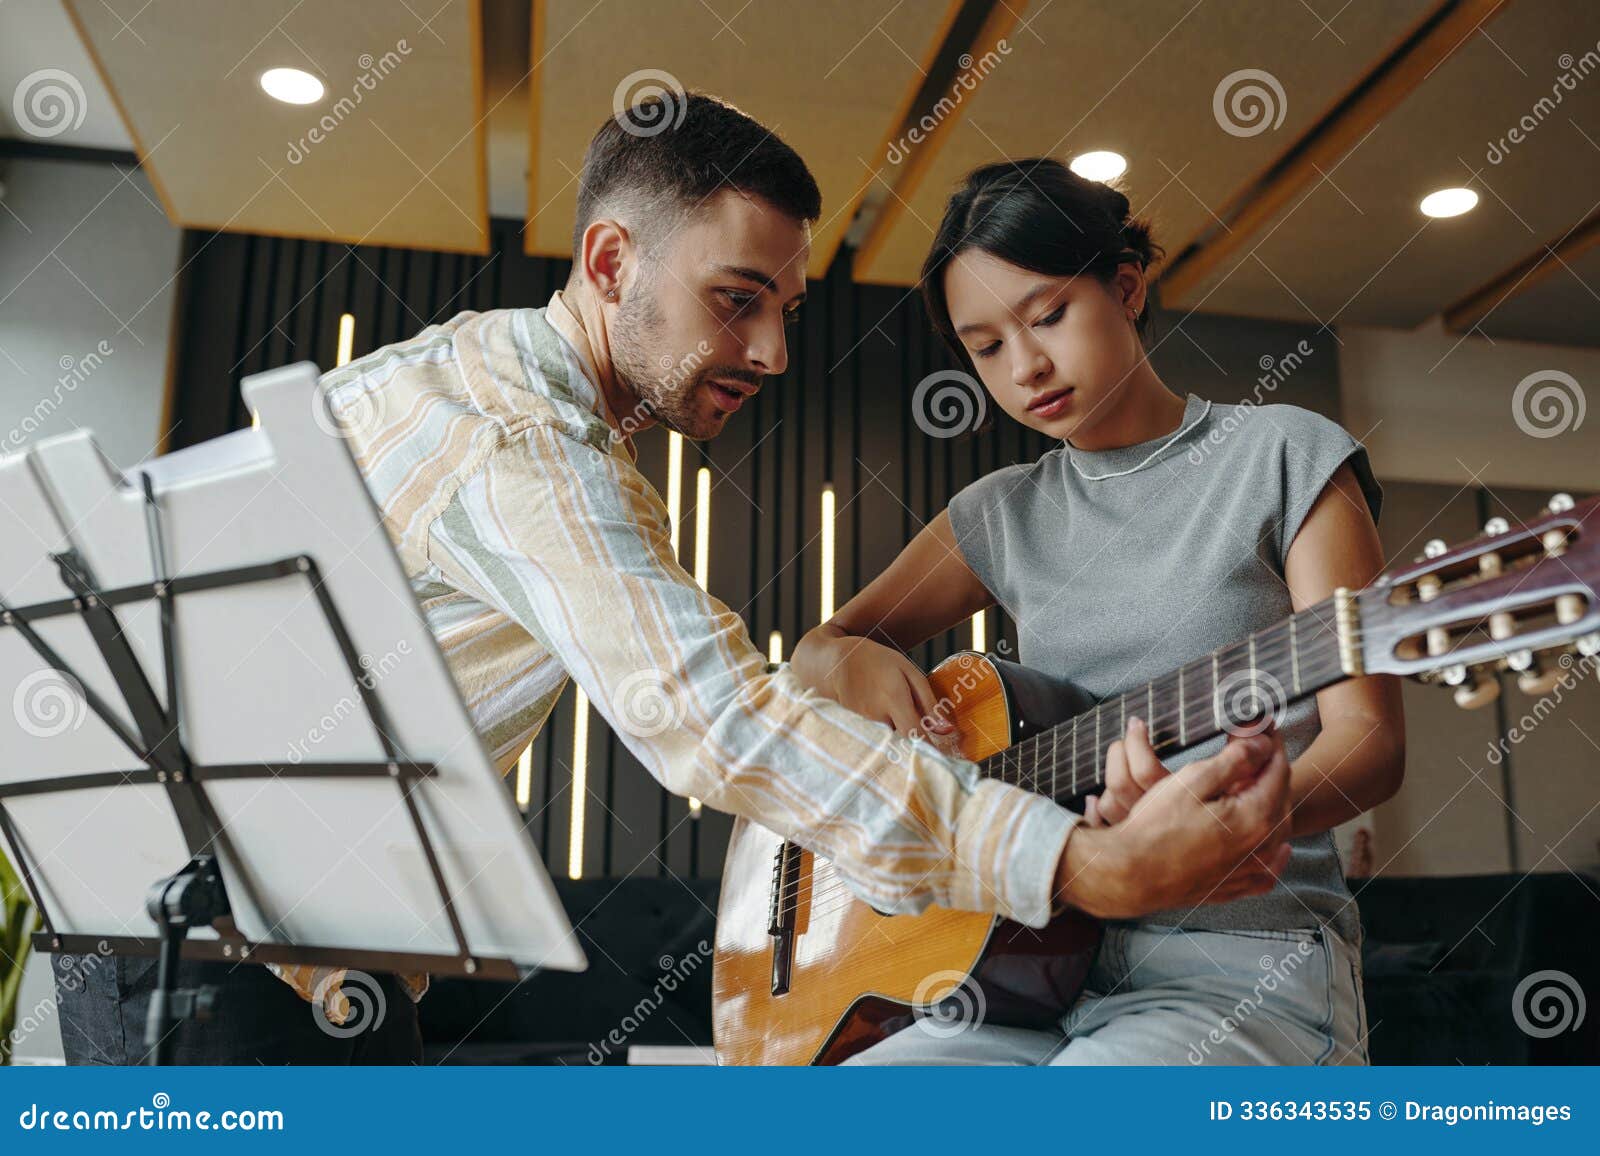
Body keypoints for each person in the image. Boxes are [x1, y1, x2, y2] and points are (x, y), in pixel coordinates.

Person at [55, 97, 1295, 1064]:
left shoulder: (458, 371)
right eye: (735, 300)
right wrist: (1071, 865)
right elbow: (712, 720)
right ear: (609, 261)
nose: (769, 352)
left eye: (787, 308)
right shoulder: (523, 444)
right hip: (239, 968)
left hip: (169, 938)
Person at [791, 158, 1405, 1065]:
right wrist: (846, 658)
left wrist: (1237, 827)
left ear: (1125, 288)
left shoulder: (1283, 453)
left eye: (1047, 317)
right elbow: (817, 648)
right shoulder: (1000, 512)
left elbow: (1371, 742)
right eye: (986, 347)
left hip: (1239, 959)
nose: (1026, 365)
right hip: (1019, 972)